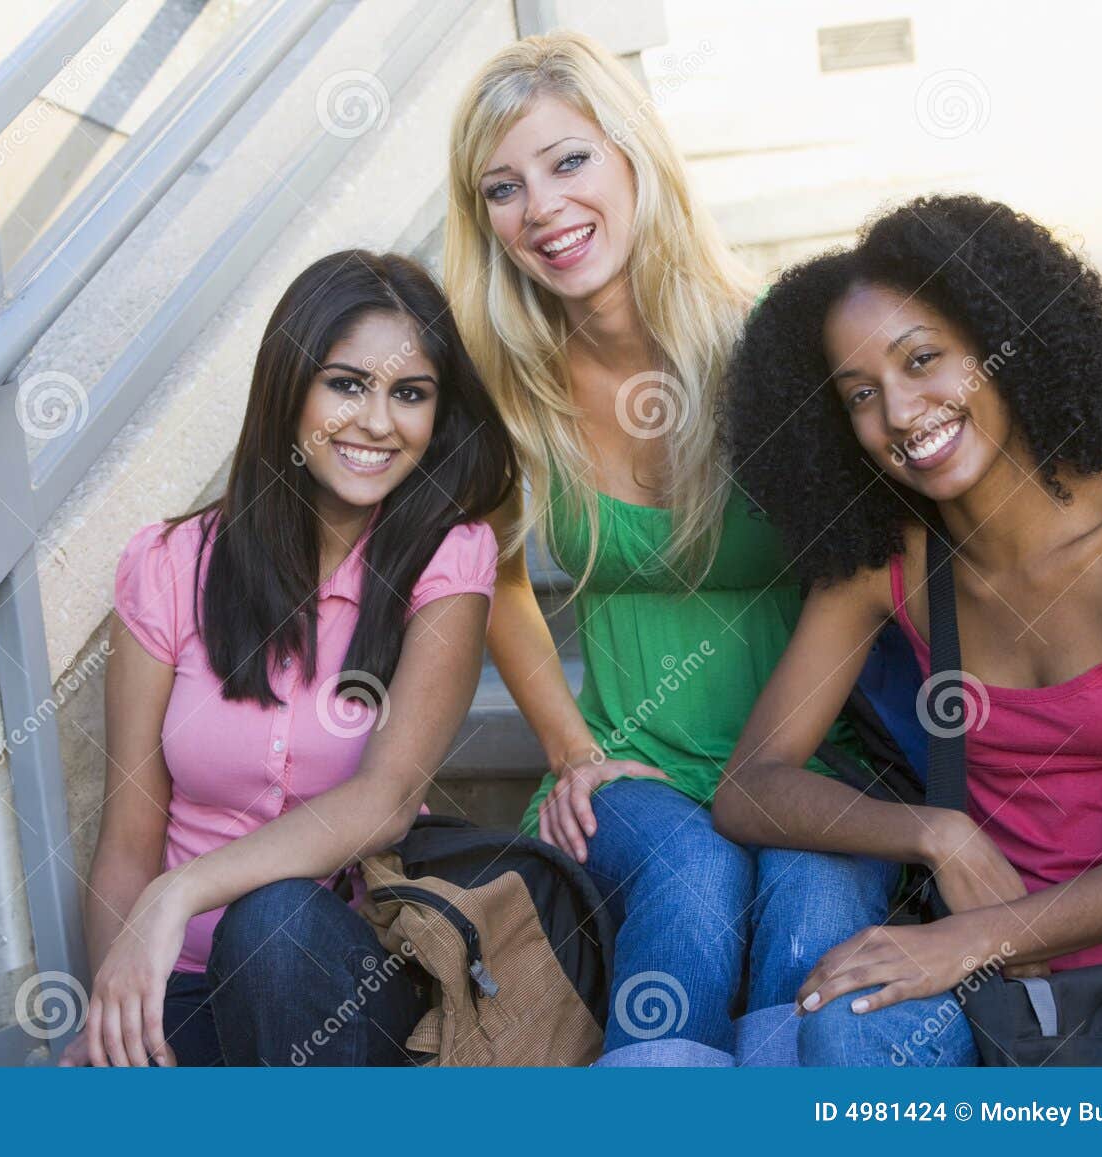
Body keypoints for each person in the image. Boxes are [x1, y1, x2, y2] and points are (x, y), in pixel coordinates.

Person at [715, 194, 1102, 1058]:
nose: (903, 413)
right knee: (825, 1038)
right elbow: (750, 785)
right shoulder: (893, 563)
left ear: (999, 343)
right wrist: (936, 831)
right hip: (1021, 1001)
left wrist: (964, 938)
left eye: (924, 361)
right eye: (862, 394)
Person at [445, 31, 923, 1066]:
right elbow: (499, 575)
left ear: (631, 157)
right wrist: (572, 747)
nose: (542, 208)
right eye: (502, 187)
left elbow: (905, 541)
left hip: (812, 757)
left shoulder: (777, 348)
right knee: (693, 879)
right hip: (634, 764)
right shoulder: (508, 384)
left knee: (808, 928)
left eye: (567, 160)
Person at [63, 250, 515, 1066]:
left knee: (272, 918)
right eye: (347, 384)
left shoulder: (447, 560)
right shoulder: (168, 565)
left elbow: (386, 797)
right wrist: (116, 1011)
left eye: (409, 394)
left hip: (346, 984)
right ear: (289, 388)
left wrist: (183, 890)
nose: (378, 421)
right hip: (189, 990)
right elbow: (130, 833)